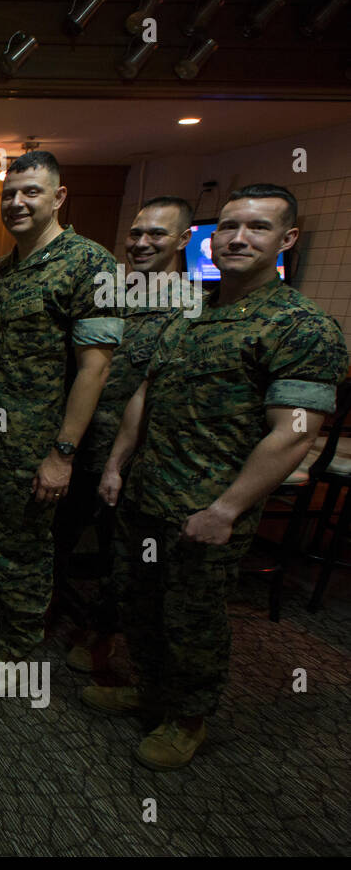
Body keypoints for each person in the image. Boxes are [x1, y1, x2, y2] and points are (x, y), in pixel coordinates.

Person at [89, 184, 348, 770]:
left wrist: (227, 509)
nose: (236, 238)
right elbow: (145, 393)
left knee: (193, 620)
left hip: (206, 509)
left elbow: (295, 432)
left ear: (287, 240)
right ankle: (150, 690)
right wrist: (115, 464)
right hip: (147, 495)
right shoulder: (193, 311)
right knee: (142, 603)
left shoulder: (300, 327)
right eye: (226, 227)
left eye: (256, 228)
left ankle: (188, 718)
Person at [0, 150, 122, 675]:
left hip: (33, 448)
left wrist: (62, 453)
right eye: (9, 193)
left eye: (30, 192)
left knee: (20, 554)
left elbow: (95, 369)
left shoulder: (90, 264)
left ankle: (15, 653)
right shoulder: (2, 269)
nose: (16, 202)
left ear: (58, 197)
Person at [53, 196, 193, 673]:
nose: (142, 243)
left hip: (134, 458)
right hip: (75, 444)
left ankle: (102, 635)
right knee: (53, 536)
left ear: (182, 240)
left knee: (123, 558)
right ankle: (48, 611)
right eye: (135, 233)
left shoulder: (192, 309)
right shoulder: (104, 289)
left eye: (157, 234)